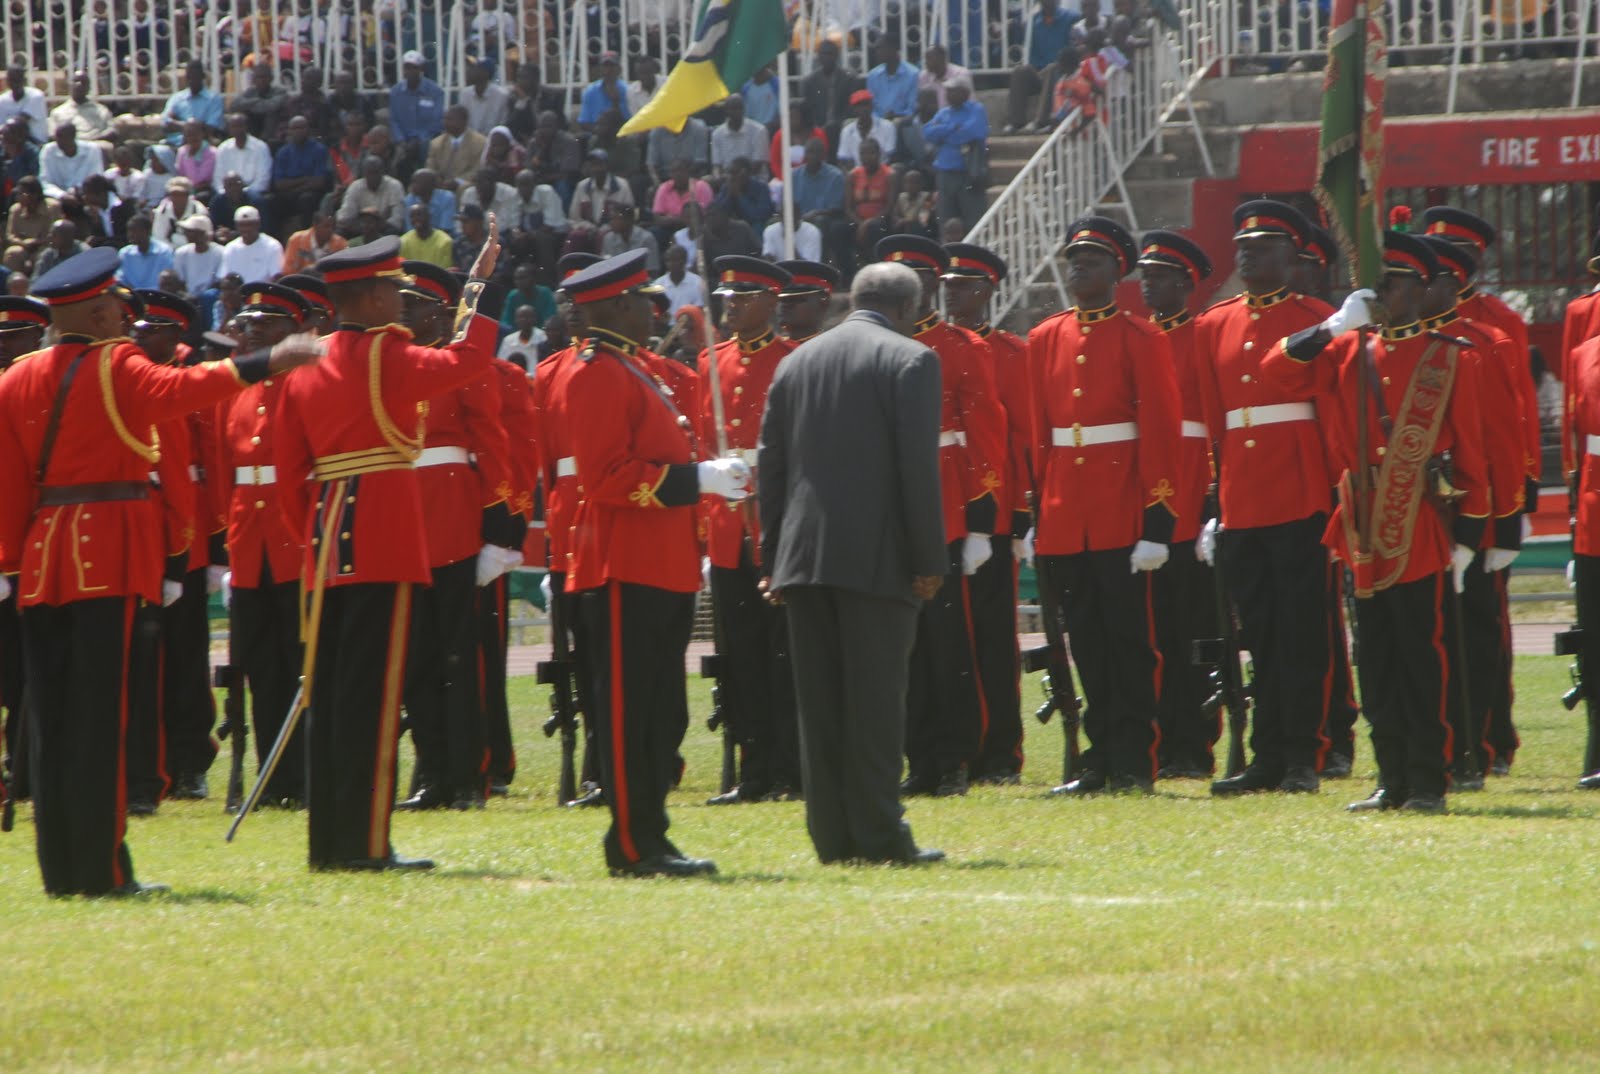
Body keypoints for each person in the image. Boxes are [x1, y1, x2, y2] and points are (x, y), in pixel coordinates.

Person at [0, 247, 318, 897]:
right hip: (108, 555)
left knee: (53, 722)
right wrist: (264, 362)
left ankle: (62, 869)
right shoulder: (119, 364)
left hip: (42, 562)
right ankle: (102, 870)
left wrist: (10, 561)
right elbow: (184, 390)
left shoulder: (16, 378)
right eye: (117, 302)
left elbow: (8, 489)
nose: (126, 312)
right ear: (95, 310)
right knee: (100, 718)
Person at [273, 228, 503, 871]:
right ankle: (366, 845)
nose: (401, 302)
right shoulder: (388, 356)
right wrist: (479, 292)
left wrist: (313, 537)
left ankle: (330, 844)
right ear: (371, 298)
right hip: (385, 538)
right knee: (373, 701)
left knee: (331, 695)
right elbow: (468, 363)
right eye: (394, 291)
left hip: (326, 543)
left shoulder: (304, 362)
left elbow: (291, 474)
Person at [1262, 232, 1490, 815]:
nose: (1384, 292)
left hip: (1417, 522)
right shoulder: (1345, 352)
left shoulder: (1448, 356)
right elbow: (1274, 371)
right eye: (1378, 282)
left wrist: (1469, 539)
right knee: (1376, 657)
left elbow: (1471, 455)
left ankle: (1428, 779)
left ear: (1418, 290)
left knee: (1420, 653)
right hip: (1362, 522)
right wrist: (1334, 326)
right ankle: (1390, 777)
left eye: (1394, 282)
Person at [557, 248, 751, 876]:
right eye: (641, 299)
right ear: (615, 306)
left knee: (663, 713)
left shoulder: (639, 371)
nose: (649, 309)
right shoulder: (595, 375)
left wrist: (709, 485)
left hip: (662, 563)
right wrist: (698, 480)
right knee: (629, 713)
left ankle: (653, 832)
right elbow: (608, 477)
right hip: (622, 565)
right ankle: (633, 844)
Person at [758, 261, 946, 864]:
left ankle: (833, 837)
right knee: (874, 704)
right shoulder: (910, 359)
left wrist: (771, 558)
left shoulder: (795, 361)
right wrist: (927, 557)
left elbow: (773, 469)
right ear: (911, 308)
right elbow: (915, 469)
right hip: (878, 556)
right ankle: (880, 834)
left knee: (821, 706)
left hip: (803, 556)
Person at [1027, 219, 1179, 795]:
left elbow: (1161, 433)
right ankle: (1098, 758)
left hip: (1122, 514)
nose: (1077, 270)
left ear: (1119, 272)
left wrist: (1157, 522)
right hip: (1069, 515)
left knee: (1130, 642)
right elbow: (1042, 437)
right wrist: (1041, 513)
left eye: (1091, 261)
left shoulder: (1142, 338)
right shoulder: (1046, 338)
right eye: (1073, 260)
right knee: (1086, 642)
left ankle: (1136, 759)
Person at [1192, 200, 1336, 796]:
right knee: (1259, 632)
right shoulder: (1212, 324)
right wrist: (1213, 503)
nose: (1248, 253)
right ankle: (1264, 757)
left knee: (1302, 632)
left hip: (1301, 492)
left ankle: (1305, 753)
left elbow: (1329, 410)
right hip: (1244, 497)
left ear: (1292, 257)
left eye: (1264, 246)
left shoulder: (1317, 319)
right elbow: (1210, 419)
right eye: (1243, 245)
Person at [877, 234, 1005, 797]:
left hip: (947, 508)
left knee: (948, 644)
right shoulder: (874, 346)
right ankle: (917, 756)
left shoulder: (961, 346)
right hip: (890, 513)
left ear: (930, 287)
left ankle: (954, 757)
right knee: (902, 646)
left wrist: (981, 521)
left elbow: (986, 437)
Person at [393, 260, 520, 812]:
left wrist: (499, 532)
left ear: (439, 316)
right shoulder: (392, 364)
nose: (399, 315)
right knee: (416, 661)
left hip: (454, 523)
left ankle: (469, 773)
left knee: (458, 659)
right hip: (402, 527)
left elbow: (492, 445)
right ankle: (431, 772)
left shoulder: (461, 367)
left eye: (410, 306)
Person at [1421, 205, 1540, 775]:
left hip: (1481, 503)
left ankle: (1490, 739)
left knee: (1480, 625)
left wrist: (1515, 509)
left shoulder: (1490, 330)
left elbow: (1506, 428)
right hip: (1422, 506)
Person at [697, 257, 800, 805]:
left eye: (742, 297)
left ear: (770, 303)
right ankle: (754, 770)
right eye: (727, 296)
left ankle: (792, 768)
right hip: (727, 529)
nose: (731, 305)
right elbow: (701, 454)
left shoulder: (792, 361)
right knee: (741, 660)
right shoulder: (710, 363)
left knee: (784, 657)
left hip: (775, 524)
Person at [210, 283, 314, 807]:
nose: (251, 329)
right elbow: (228, 476)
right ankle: (271, 778)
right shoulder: (239, 389)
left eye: (264, 322)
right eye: (248, 320)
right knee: (260, 669)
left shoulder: (307, 385)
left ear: (291, 331)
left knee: (302, 666)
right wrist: (229, 552)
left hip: (295, 544)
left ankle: (304, 774)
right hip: (251, 550)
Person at [940, 243, 1030, 783]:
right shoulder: (936, 345)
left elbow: (1018, 440)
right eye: (948, 285)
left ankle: (1001, 753)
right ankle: (958, 746)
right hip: (945, 511)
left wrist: (1016, 517)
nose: (954, 294)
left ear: (988, 292)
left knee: (995, 640)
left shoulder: (1010, 353)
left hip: (990, 518)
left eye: (965, 286)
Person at [1136, 229, 1219, 777]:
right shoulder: (1136, 337)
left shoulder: (1204, 337)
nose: (1149, 285)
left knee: (1195, 633)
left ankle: (1194, 743)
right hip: (1142, 503)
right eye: (1144, 276)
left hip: (1193, 498)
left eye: (1161, 276)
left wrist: (1214, 506)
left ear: (1185, 284)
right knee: (1150, 631)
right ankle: (1157, 739)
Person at [921, 76, 988, 234]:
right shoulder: (943, 113)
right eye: (947, 91)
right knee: (946, 221)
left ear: (965, 93)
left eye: (953, 91)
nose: (948, 94)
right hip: (945, 174)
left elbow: (972, 132)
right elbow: (928, 132)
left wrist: (944, 133)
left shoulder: (976, 109)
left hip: (968, 173)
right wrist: (954, 128)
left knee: (973, 221)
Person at [1007, 0, 1081, 131]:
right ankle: (1016, 122)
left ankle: (1041, 121)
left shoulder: (1071, 18)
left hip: (1064, 73)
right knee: (1020, 71)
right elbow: (1032, 56)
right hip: (1042, 74)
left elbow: (1074, 50)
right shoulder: (1033, 22)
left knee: (1052, 68)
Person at [791, 138, 851, 270]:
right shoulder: (794, 175)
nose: (812, 156)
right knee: (773, 223)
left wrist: (815, 213)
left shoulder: (835, 175)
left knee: (820, 221)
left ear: (823, 155)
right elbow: (787, 204)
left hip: (826, 219)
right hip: (797, 218)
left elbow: (836, 208)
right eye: (809, 152)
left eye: (816, 152)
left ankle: (820, 269)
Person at [270, 115, 332, 233]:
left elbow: (319, 182)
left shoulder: (319, 150)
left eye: (302, 127)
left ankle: (306, 236)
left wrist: (294, 185)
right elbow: (279, 184)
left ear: (308, 129)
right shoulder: (283, 152)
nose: (298, 131)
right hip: (290, 194)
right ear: (289, 130)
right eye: (294, 128)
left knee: (306, 199)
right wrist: (305, 179)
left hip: (311, 194)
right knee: (272, 201)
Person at [389, 51, 446, 175]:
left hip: (427, 140)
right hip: (404, 142)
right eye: (407, 67)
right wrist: (402, 141)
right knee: (399, 160)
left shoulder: (435, 91)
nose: (410, 71)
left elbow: (437, 121)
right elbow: (394, 121)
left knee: (426, 149)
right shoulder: (395, 92)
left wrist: (419, 140)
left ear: (421, 69)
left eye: (414, 68)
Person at [800, 39, 856, 140]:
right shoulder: (809, 82)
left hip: (843, 128)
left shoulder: (848, 78)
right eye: (823, 54)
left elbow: (851, 107)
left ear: (836, 55)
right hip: (817, 129)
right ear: (818, 56)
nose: (827, 57)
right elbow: (807, 109)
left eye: (830, 54)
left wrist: (837, 124)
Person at [337, 155, 406, 234]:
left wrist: (376, 227)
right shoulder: (355, 187)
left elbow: (397, 220)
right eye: (369, 173)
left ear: (382, 172)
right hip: (361, 230)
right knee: (340, 232)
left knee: (393, 231)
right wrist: (365, 227)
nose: (373, 177)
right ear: (364, 173)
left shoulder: (394, 185)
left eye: (376, 172)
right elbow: (343, 218)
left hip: (384, 230)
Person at [161, 62, 226, 144]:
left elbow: (211, 128)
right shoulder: (177, 98)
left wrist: (177, 124)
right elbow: (165, 123)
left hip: (202, 144)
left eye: (196, 76)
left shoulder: (213, 99)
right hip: (175, 142)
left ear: (203, 76)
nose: (192, 80)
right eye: (189, 77)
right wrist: (194, 127)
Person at [426, 105, 488, 191]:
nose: (445, 122)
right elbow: (430, 167)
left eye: (450, 119)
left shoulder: (480, 142)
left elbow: (477, 170)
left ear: (464, 121)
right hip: (439, 186)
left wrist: (457, 181)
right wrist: (436, 179)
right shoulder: (436, 143)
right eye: (444, 119)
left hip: (465, 186)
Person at [775, 260, 839, 343]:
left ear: (824, 301)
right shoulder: (766, 351)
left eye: (796, 299)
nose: (784, 305)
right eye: (781, 299)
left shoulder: (835, 350)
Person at [49, 71, 116, 148]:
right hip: (68, 147)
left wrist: (93, 140)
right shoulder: (58, 112)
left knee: (106, 146)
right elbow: (53, 135)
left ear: (88, 87)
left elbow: (111, 131)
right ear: (69, 85)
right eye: (76, 81)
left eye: (83, 82)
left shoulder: (101, 110)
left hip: (96, 144)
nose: (79, 84)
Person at [40, 124, 106, 200]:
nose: (58, 140)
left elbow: (96, 178)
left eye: (62, 136)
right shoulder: (48, 150)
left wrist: (78, 191)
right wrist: (62, 195)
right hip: (58, 198)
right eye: (57, 136)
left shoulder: (92, 150)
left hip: (86, 196)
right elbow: (45, 182)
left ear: (73, 136)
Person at [3, 175, 55, 272]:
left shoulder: (51, 208)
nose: (18, 197)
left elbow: (55, 234)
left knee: (42, 256)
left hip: (45, 247)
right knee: (13, 253)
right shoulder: (15, 210)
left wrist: (38, 242)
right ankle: (13, 284)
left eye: (22, 193)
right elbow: (10, 235)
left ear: (35, 195)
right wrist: (23, 243)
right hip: (23, 247)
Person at [220, 206, 283, 284]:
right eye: (242, 225)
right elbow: (225, 277)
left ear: (258, 224)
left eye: (249, 224)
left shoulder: (272, 246)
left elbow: (276, 276)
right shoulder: (230, 248)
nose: (246, 229)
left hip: (262, 293)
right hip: (237, 294)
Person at [837, 90, 897, 169]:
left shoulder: (887, 126)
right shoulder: (847, 131)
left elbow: (890, 157)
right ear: (853, 109)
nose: (863, 109)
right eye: (859, 106)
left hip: (882, 171)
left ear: (871, 106)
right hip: (858, 175)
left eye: (866, 104)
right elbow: (843, 159)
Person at [710, 97, 768, 179]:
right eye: (733, 109)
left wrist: (737, 178)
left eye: (739, 108)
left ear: (744, 110)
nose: (736, 112)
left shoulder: (759, 130)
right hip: (727, 180)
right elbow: (717, 165)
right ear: (726, 111)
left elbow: (758, 165)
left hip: (753, 179)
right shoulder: (717, 134)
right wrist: (718, 177)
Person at [865, 37, 920, 121]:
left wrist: (897, 117)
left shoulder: (913, 74)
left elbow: (912, 109)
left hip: (903, 123)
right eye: (876, 49)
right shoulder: (873, 75)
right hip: (877, 123)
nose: (877, 53)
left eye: (880, 48)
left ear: (893, 48)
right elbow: (871, 106)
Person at [232, 62, 289, 142]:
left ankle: (264, 141)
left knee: (271, 114)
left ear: (271, 78)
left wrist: (250, 105)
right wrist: (256, 101)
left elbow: (272, 106)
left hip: (273, 129)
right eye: (258, 77)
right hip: (253, 125)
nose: (261, 80)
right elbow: (234, 105)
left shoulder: (279, 91)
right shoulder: (251, 91)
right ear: (254, 80)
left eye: (264, 77)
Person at [646, 116, 709, 188]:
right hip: (665, 177)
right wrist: (658, 185)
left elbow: (700, 161)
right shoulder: (656, 131)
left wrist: (680, 176)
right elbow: (651, 165)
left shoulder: (699, 127)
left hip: (693, 175)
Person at [114, 215, 173, 291]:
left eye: (134, 230)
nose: (130, 234)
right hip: (133, 297)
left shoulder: (163, 251)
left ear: (148, 231)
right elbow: (120, 280)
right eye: (129, 230)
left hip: (158, 297)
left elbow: (167, 283)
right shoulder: (125, 253)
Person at [281, 208, 347, 276]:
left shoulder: (340, 244)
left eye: (333, 227)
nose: (330, 230)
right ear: (315, 225)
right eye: (326, 226)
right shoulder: (296, 240)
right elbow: (287, 271)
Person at [577, 51, 630, 132]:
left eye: (612, 66)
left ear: (619, 69)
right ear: (600, 69)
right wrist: (599, 131)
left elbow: (630, 120)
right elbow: (584, 122)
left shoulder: (627, 90)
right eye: (605, 66)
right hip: (597, 133)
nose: (609, 69)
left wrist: (616, 102)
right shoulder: (590, 91)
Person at [173, 214, 224, 297]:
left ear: (201, 233)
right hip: (187, 297)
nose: (185, 233)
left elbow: (218, 282)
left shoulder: (220, 252)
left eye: (190, 231)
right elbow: (180, 282)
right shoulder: (181, 253)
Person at [654, 243, 704, 318]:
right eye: (668, 260)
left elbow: (699, 309)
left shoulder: (697, 282)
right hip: (664, 327)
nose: (670, 264)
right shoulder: (658, 284)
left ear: (684, 262)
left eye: (674, 260)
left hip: (690, 326)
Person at [405, 168, 458, 237]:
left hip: (442, 239)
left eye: (416, 182)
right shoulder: (410, 199)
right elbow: (410, 231)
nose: (412, 185)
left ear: (429, 185)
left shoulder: (447, 198)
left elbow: (446, 229)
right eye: (412, 182)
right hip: (417, 240)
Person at [460, 60, 511, 132]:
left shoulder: (501, 95)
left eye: (475, 69)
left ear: (485, 74)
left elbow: (502, 125)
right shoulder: (465, 94)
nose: (469, 71)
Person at [0, 66, 47, 145]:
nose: (15, 83)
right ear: (7, 81)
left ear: (24, 81)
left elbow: (20, 122)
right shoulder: (2, 100)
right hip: (9, 143)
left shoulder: (36, 96)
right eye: (12, 80)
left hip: (34, 142)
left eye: (18, 80)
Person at [400, 202, 454, 269]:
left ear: (429, 216)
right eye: (412, 216)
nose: (415, 219)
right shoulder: (403, 241)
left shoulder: (445, 241)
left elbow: (444, 271)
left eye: (419, 215)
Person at [919, 45, 972, 110]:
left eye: (929, 58)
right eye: (926, 59)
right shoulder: (924, 76)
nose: (926, 62)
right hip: (934, 117)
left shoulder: (960, 74)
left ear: (942, 58)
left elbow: (969, 103)